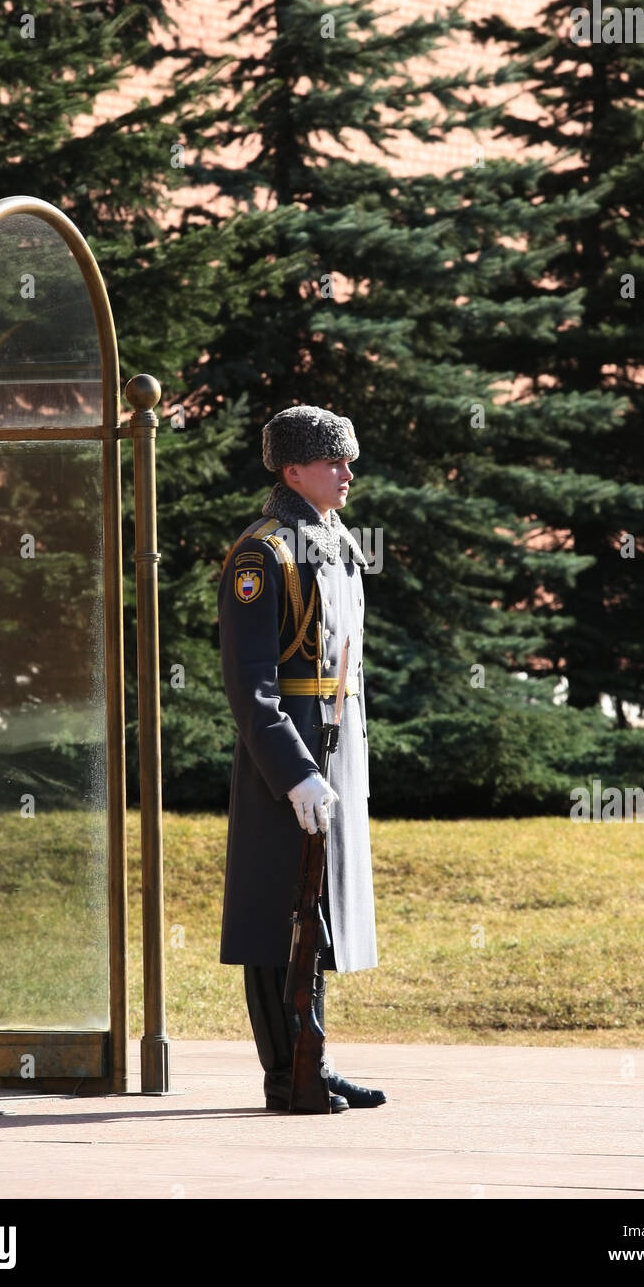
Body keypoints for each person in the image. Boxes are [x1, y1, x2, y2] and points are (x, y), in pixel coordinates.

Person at [217, 404, 385, 1113]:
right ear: (293, 470)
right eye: (332, 462)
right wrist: (295, 772)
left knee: (316, 911)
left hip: (335, 747)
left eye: (347, 460)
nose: (348, 473)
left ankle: (315, 1056)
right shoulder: (265, 553)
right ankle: (286, 1071)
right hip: (285, 756)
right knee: (277, 913)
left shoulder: (335, 541)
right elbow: (249, 686)